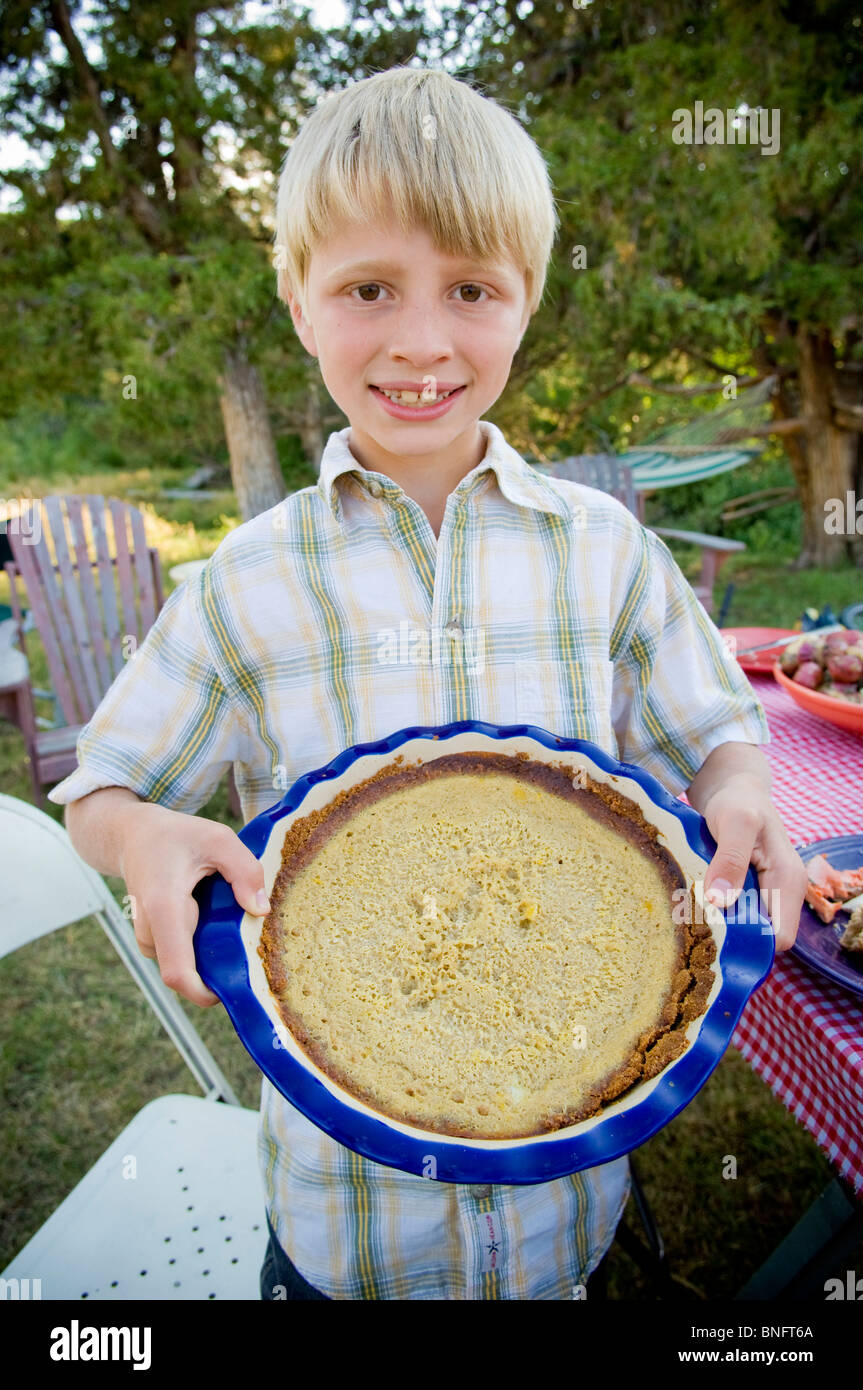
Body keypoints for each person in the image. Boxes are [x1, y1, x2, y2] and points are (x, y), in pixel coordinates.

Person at [52, 65, 807, 1301]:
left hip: (573, 1220)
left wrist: (740, 788)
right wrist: (135, 834)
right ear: (297, 300)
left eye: (469, 289)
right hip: (343, 1235)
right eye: (366, 289)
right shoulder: (247, 580)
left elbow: (720, 730)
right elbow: (100, 785)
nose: (418, 338)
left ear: (526, 303)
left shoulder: (606, 552)